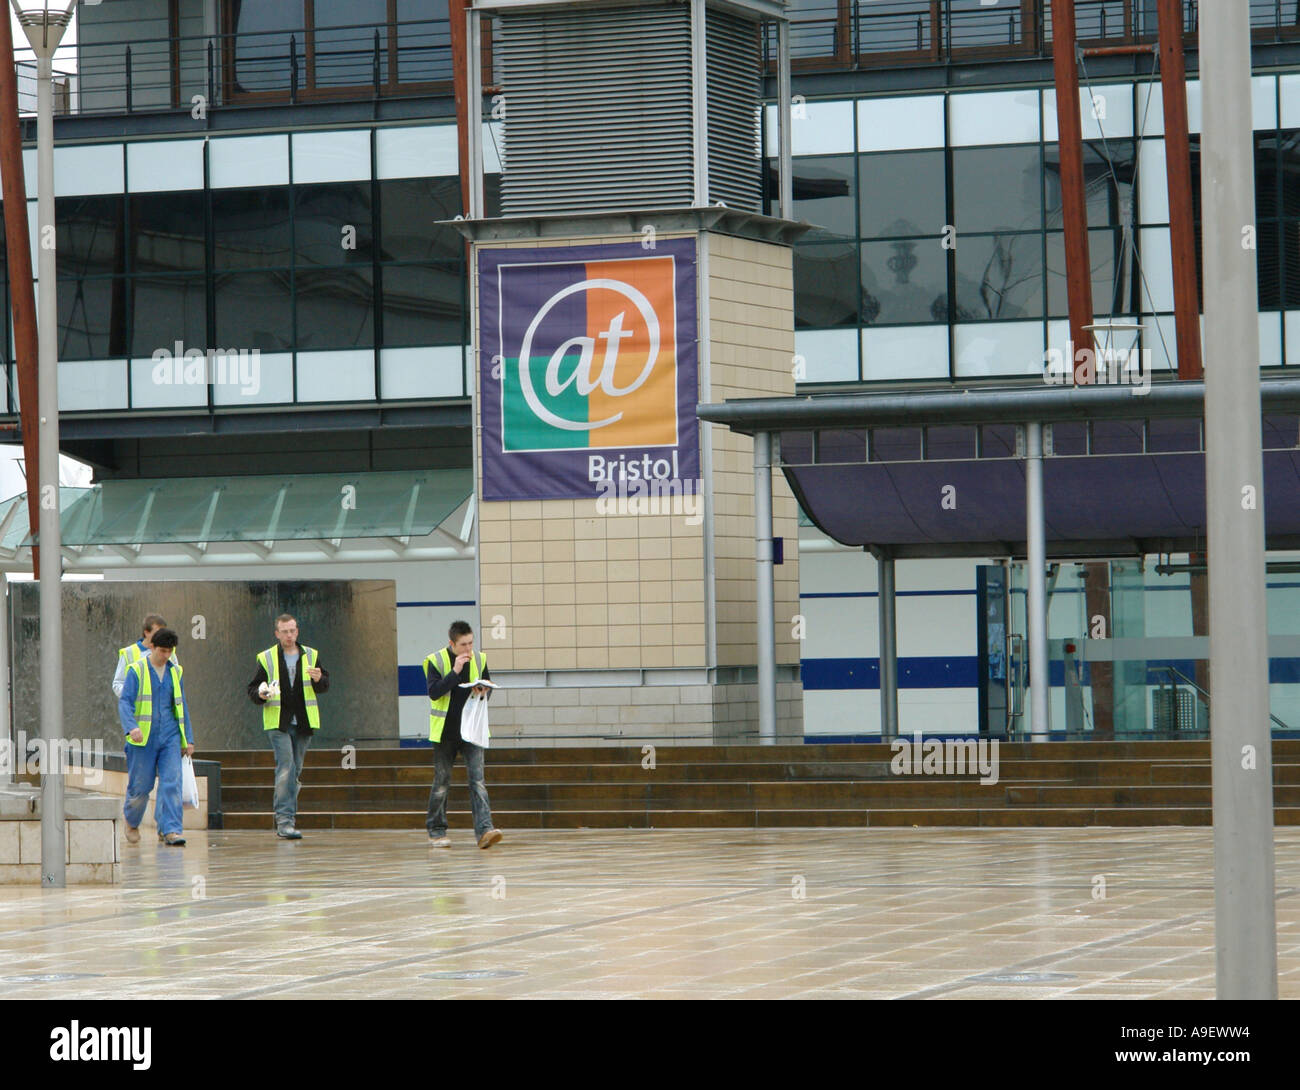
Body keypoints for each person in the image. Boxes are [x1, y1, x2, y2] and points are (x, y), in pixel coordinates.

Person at [247, 614, 328, 840]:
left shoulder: (311, 655)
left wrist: (319, 678)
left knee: (295, 771)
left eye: (292, 631)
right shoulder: (267, 658)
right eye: (284, 631)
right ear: (277, 633)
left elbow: (324, 685)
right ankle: (285, 821)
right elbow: (253, 689)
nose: (289, 635)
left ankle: (287, 818)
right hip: (278, 722)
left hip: (303, 722)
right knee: (286, 768)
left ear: (297, 631)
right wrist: (262, 694)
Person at [424, 620, 502, 849]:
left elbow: (487, 689)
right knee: (441, 782)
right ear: (452, 644)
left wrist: (483, 692)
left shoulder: (480, 659)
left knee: (478, 781)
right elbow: (434, 692)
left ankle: (485, 830)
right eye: (463, 645)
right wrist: (455, 671)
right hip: (446, 732)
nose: (468, 649)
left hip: (473, 730)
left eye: (470, 643)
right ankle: (436, 830)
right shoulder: (435, 661)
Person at [117, 627, 194, 846]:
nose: (166, 656)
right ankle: (131, 821)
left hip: (169, 737)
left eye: (170, 651)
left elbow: (182, 706)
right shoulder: (137, 670)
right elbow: (125, 701)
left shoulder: (175, 672)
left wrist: (188, 738)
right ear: (152, 647)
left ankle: (170, 829)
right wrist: (131, 727)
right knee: (141, 787)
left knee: (172, 782)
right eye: (162, 651)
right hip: (142, 739)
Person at [112, 613, 177, 698]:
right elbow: (118, 684)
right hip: (139, 710)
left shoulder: (170, 652)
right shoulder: (129, 653)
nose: (162, 636)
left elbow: (176, 680)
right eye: (157, 633)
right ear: (146, 632)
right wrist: (132, 695)